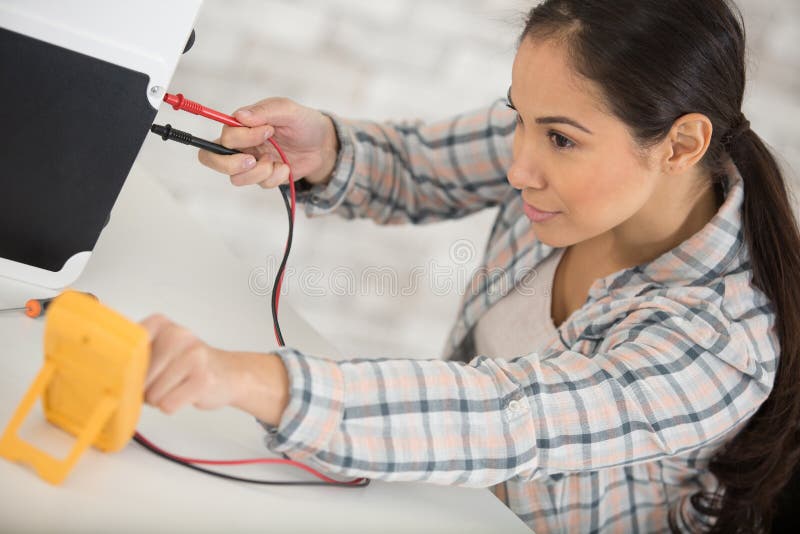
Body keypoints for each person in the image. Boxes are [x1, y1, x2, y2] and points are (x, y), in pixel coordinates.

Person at [140, 0, 800, 531]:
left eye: (560, 139)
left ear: (681, 144)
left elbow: (508, 415)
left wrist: (239, 377)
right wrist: (327, 149)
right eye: (520, 118)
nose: (517, 166)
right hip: (449, 501)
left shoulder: (721, 342)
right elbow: (420, 166)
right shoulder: (556, 135)